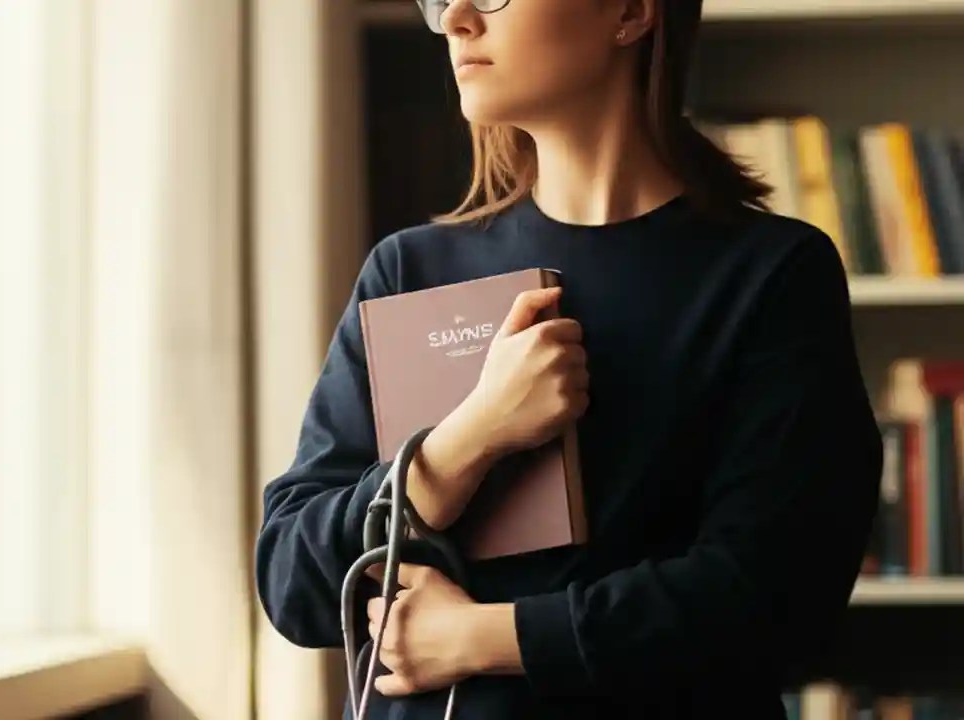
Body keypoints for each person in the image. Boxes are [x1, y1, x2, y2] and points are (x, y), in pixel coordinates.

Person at [254, 0, 884, 717]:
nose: (456, 17)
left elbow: (776, 595)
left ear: (630, 11)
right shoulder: (410, 269)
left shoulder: (772, 274)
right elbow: (291, 582)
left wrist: (483, 638)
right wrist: (469, 440)